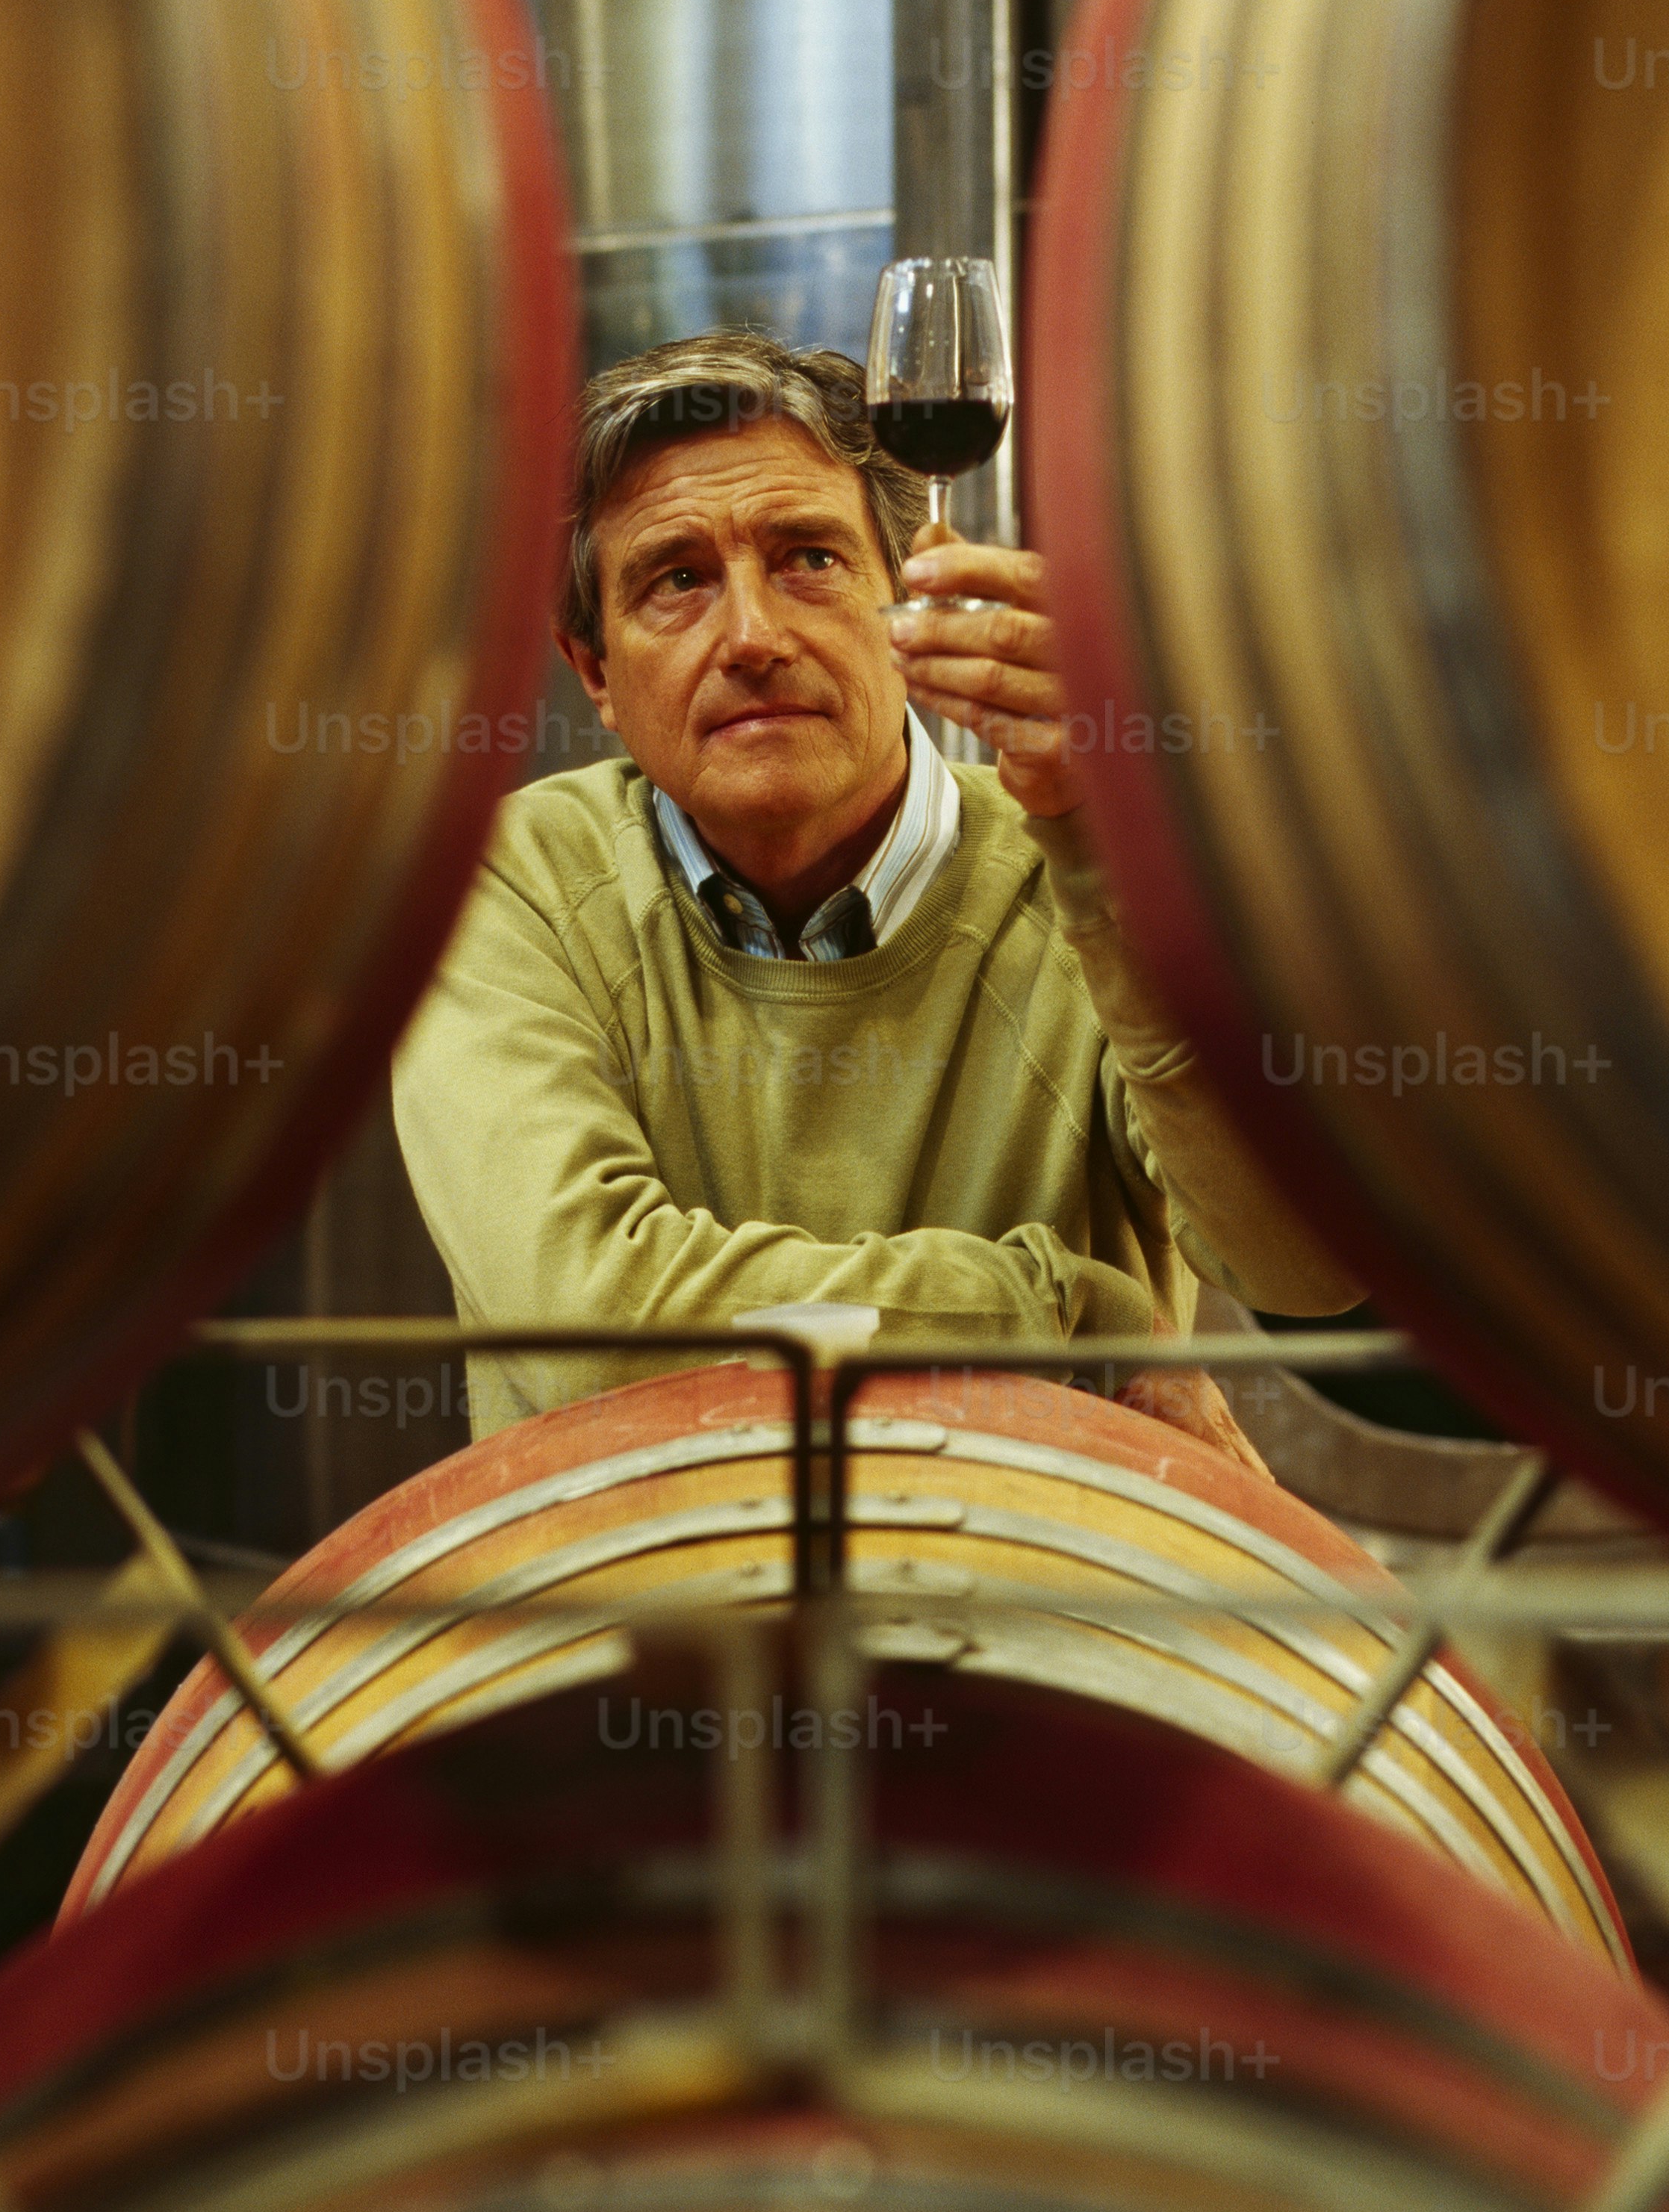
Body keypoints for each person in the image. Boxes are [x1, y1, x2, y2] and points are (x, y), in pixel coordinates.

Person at [391, 327, 1365, 1449]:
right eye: (677, 580)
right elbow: (598, 1338)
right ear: (596, 672)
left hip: (1035, 1597)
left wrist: (1114, 859)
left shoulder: (1088, 864)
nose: (752, 635)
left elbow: (1305, 1267)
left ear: (906, 601)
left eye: (807, 557)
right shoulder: (501, 882)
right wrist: (1059, 1313)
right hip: (627, 1599)